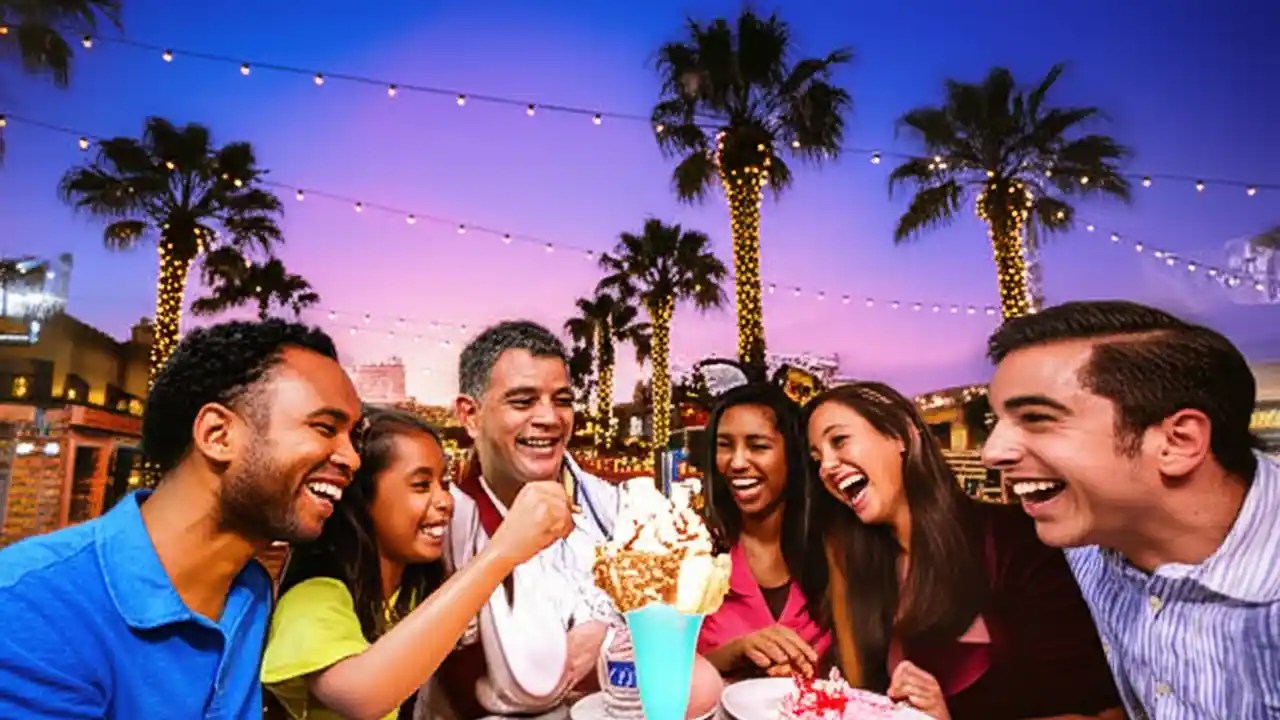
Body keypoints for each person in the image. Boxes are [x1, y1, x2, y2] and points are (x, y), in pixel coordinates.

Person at [0, 319, 363, 718]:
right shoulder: (31, 608)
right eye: (325, 428)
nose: (352, 458)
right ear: (217, 435)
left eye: (352, 437)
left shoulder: (250, 590)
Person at [983, 300, 1280, 720]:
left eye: (1036, 417)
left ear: (1177, 442)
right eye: (995, 421)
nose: (991, 453)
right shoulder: (1090, 536)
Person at [424, 319, 720, 719]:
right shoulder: (441, 522)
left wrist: (607, 641)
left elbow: (678, 644)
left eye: (562, 400)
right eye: (523, 401)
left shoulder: (621, 507)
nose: (549, 417)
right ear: (471, 415)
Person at [806, 382, 1122, 720]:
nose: (827, 466)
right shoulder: (856, 569)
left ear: (903, 435)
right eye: (817, 458)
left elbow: (1101, 711)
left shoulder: (1015, 540)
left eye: (839, 441)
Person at [261, 406, 573, 720]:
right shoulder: (312, 598)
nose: (445, 501)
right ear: (362, 500)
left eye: (445, 484)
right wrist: (501, 551)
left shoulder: (408, 591)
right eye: (422, 485)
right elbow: (363, 697)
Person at [697, 383, 830, 680]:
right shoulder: (695, 553)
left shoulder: (836, 550)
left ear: (792, 456)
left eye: (758, 446)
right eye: (725, 445)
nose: (738, 462)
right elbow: (668, 670)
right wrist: (735, 654)